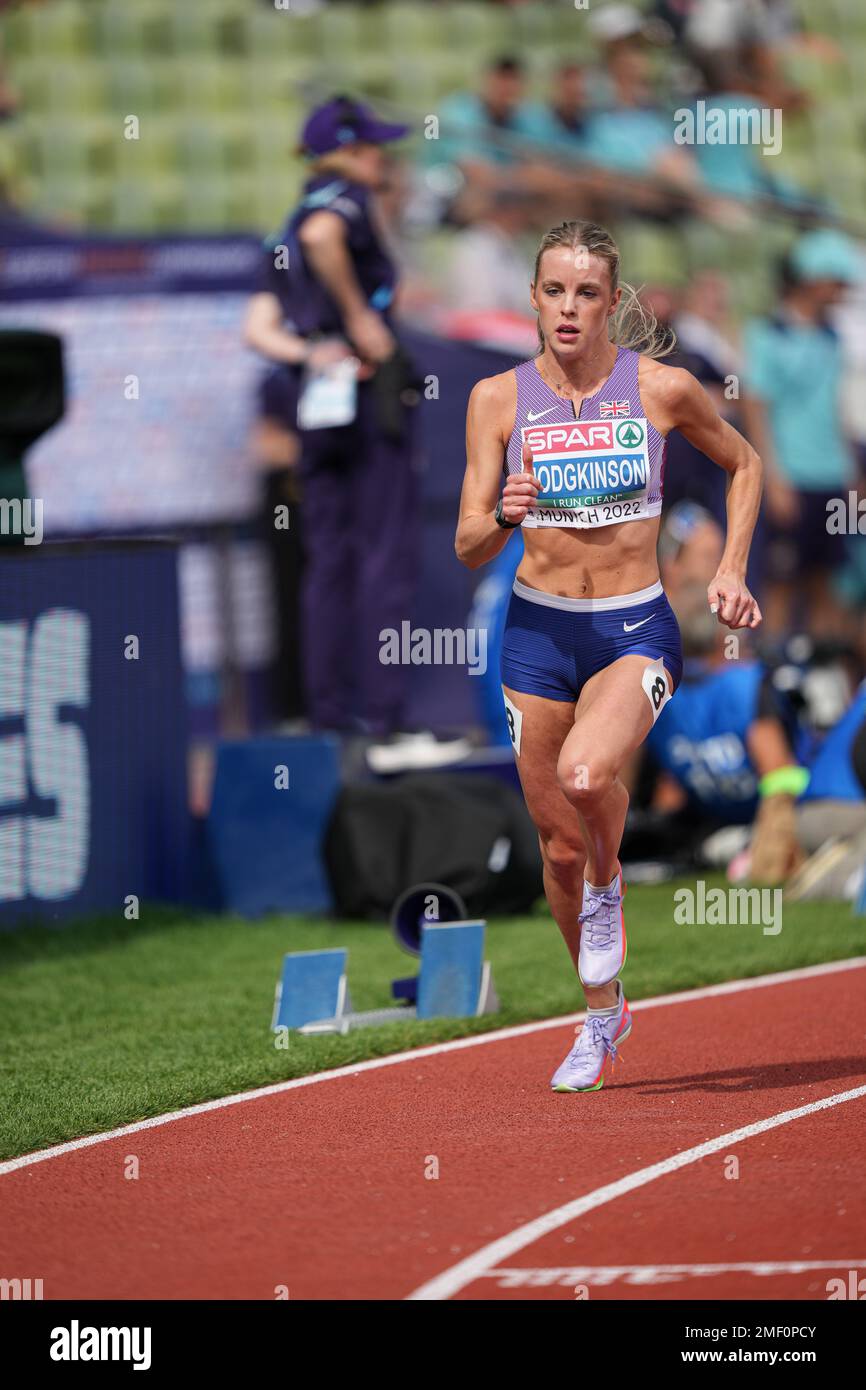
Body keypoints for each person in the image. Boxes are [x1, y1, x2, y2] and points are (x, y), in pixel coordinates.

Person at [454, 219, 762, 1094]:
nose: (569, 308)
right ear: (533, 297)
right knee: (555, 847)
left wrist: (729, 568)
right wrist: (507, 512)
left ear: (612, 302)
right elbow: (469, 542)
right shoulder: (497, 401)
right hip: (537, 633)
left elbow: (744, 466)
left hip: (633, 626)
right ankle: (600, 1014)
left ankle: (609, 885)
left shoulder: (660, 390)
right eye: (555, 290)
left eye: (587, 292)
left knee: (589, 779)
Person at [245, 95, 421, 738]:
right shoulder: (340, 205)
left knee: (328, 564)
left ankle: (328, 718)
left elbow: (258, 329)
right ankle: (380, 721)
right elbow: (326, 240)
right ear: (344, 153)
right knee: (382, 558)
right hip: (370, 402)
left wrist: (314, 351)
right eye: (373, 147)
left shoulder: (283, 228)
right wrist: (358, 317)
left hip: (319, 406)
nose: (383, 158)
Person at [740, 229, 863, 642]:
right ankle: (774, 682)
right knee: (780, 584)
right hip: (791, 479)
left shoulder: (833, 337)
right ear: (813, 278)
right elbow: (756, 410)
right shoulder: (766, 335)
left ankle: (821, 681)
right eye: (837, 282)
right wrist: (773, 479)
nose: (842, 292)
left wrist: (851, 469)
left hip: (833, 477)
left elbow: (836, 407)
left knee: (827, 583)